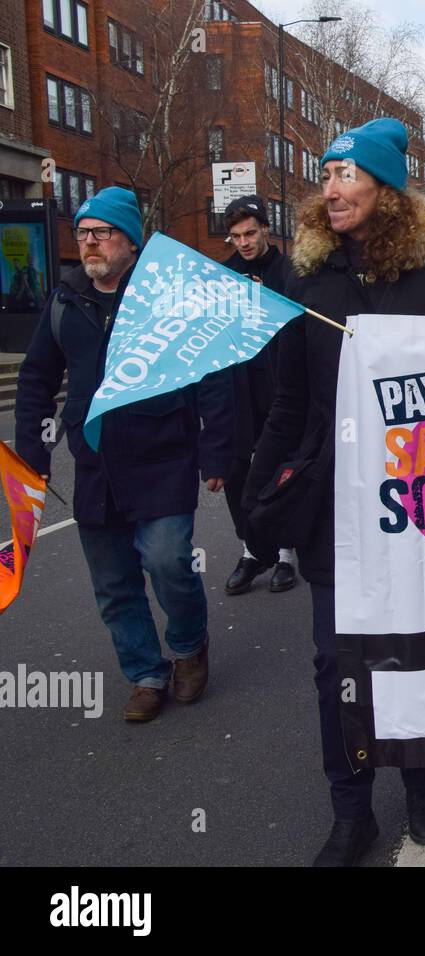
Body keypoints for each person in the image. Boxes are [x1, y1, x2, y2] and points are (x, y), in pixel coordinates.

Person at [244, 118, 425, 866]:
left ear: (385, 190)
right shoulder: (307, 280)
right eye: (326, 175)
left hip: (417, 503)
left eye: (347, 175)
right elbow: (289, 399)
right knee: (335, 665)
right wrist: (261, 493)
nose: (331, 187)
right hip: (333, 507)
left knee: (411, 651)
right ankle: (351, 811)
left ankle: (418, 786)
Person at [15, 187, 233, 722]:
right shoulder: (66, 299)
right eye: (83, 233)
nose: (89, 243)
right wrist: (31, 455)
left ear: (129, 242)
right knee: (113, 584)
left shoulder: (164, 299)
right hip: (95, 467)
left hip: (162, 457)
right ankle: (145, 673)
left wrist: (217, 454)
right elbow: (36, 378)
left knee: (168, 563)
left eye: (101, 233)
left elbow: (213, 374)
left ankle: (187, 647)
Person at [218, 195, 296, 597]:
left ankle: (284, 554)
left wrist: (267, 301)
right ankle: (251, 549)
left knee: (280, 468)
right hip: (238, 383)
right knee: (239, 473)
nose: (244, 242)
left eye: (250, 233)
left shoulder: (289, 271)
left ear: (266, 229)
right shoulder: (225, 274)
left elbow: (302, 321)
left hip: (280, 382)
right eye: (236, 236)